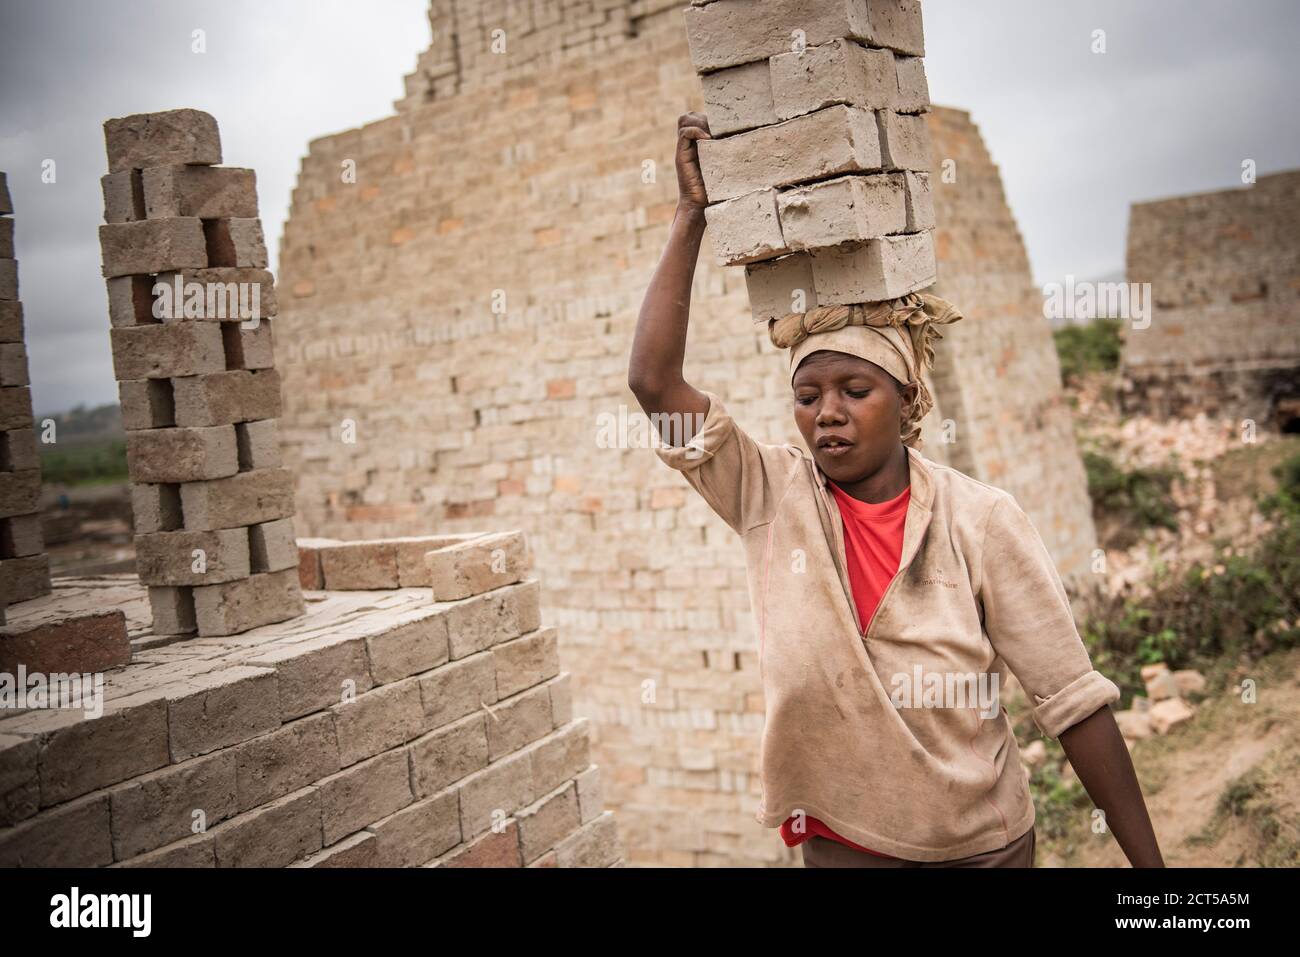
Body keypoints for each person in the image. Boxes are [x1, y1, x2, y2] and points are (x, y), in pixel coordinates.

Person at [626, 112, 1164, 868]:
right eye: (808, 395)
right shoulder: (771, 495)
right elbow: (653, 384)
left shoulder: (980, 520)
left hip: (985, 847)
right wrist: (691, 215)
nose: (828, 414)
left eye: (855, 389)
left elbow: (1072, 701)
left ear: (907, 399)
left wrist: (1157, 878)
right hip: (847, 845)